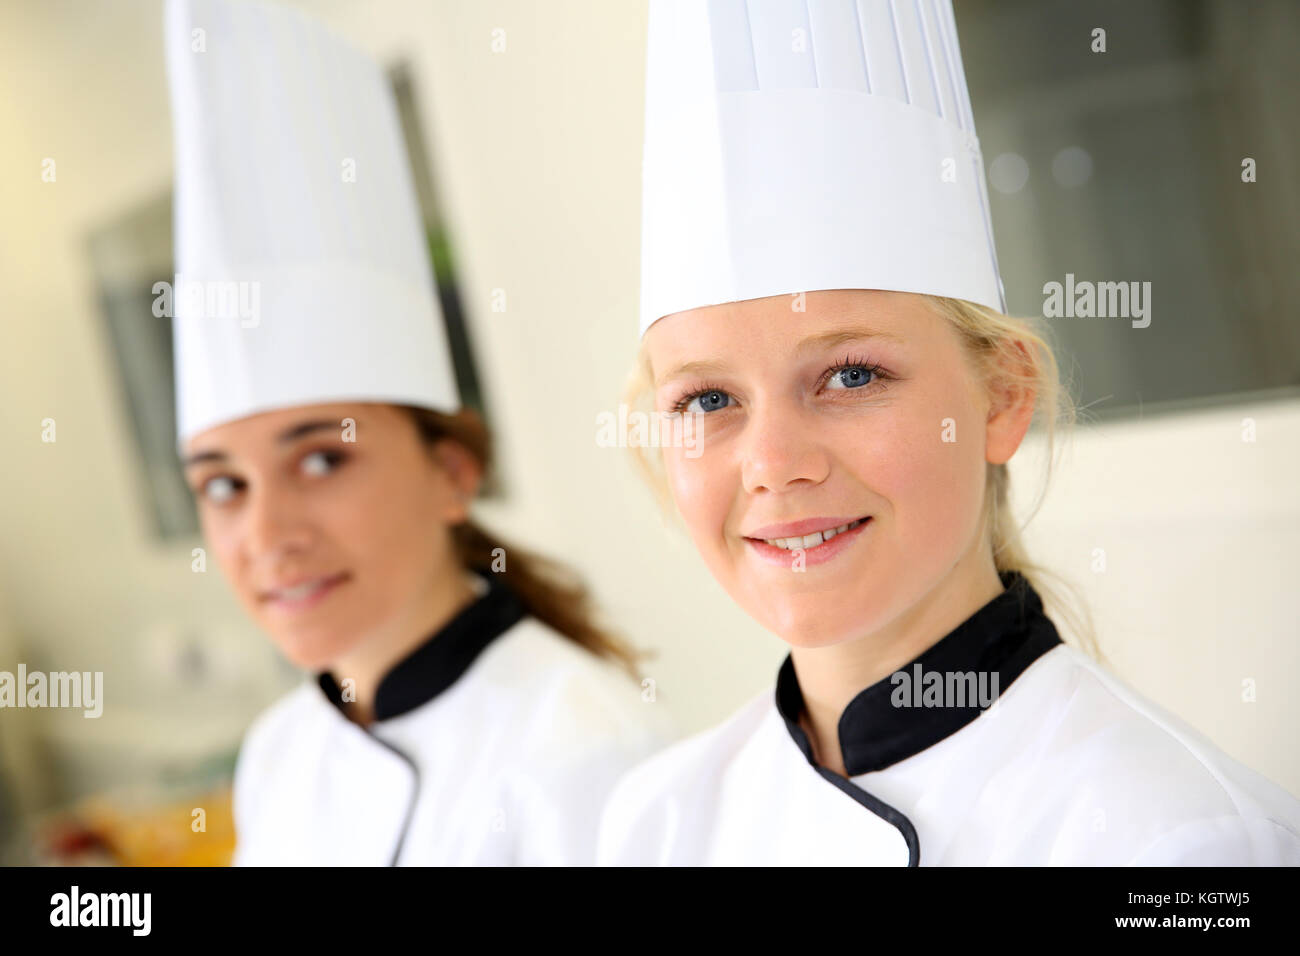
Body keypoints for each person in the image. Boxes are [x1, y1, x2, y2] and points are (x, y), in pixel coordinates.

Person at [596, 0, 1300, 865]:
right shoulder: (656, 824)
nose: (774, 466)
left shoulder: (1183, 844)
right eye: (707, 400)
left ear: (1002, 397)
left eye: (851, 376)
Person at [164, 0, 669, 865]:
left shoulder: (586, 757)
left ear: (453, 471)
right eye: (222, 483)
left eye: (323, 458)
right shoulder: (281, 754)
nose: (266, 535)